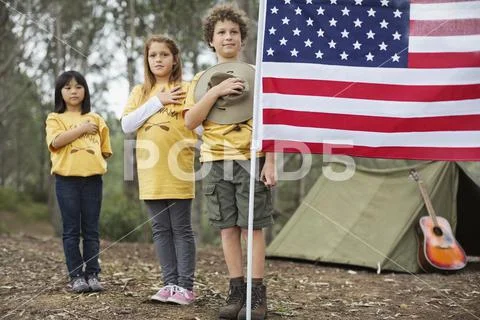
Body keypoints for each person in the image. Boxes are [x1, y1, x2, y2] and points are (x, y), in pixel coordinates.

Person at [184, 4, 276, 320]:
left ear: (242, 38)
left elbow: (271, 120)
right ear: (211, 40)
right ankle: (236, 293)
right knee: (227, 228)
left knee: (253, 227)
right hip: (215, 160)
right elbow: (190, 121)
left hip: (251, 158)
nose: (228, 37)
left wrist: (271, 161)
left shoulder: (257, 76)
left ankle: (256, 294)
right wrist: (217, 90)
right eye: (221, 32)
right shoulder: (198, 80)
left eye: (233, 32)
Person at [121, 35, 197, 305]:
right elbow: (127, 125)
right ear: (147, 60)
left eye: (164, 54)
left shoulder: (188, 89)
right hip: (150, 172)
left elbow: (198, 126)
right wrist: (159, 100)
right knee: (160, 230)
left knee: (181, 229)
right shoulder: (140, 92)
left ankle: (185, 287)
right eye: (153, 55)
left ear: (174, 58)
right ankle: (169, 285)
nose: (158, 60)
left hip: (178, 170)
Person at [46, 70, 112, 293]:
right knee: (71, 230)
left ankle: (92, 273)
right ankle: (76, 276)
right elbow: (56, 141)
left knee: (91, 230)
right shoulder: (55, 119)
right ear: (60, 93)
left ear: (85, 90)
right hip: (66, 182)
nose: (73, 91)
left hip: (93, 181)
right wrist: (82, 128)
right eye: (67, 87)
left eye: (78, 86)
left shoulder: (97, 119)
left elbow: (105, 151)